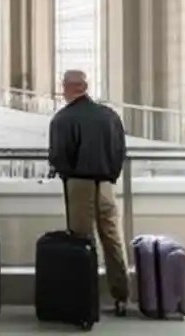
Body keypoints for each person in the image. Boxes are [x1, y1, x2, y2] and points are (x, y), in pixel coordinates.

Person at [47, 69, 130, 317]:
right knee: (112, 238)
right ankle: (121, 296)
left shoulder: (63, 119)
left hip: (78, 183)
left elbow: (59, 156)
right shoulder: (109, 116)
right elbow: (119, 151)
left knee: (82, 240)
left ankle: (85, 295)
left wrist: (67, 174)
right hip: (106, 184)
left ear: (69, 88)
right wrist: (110, 175)